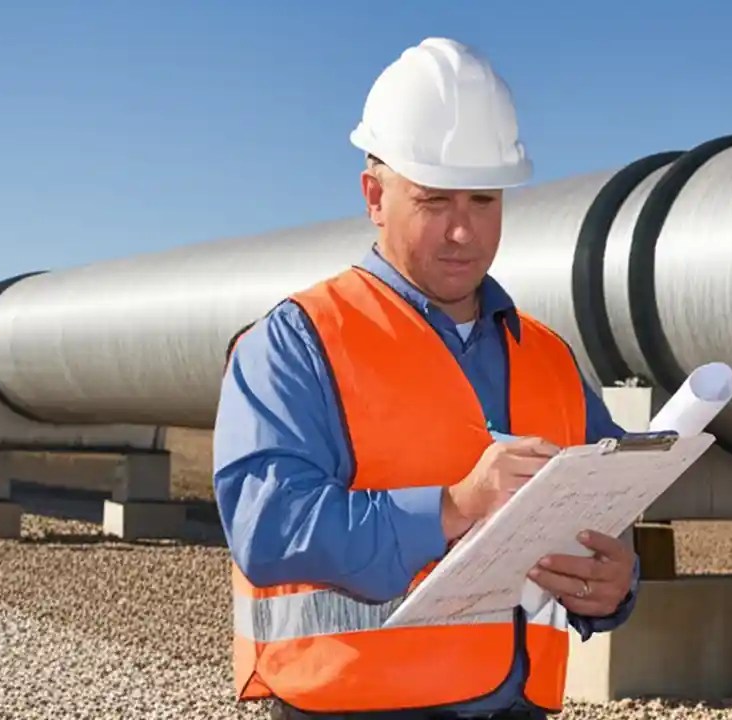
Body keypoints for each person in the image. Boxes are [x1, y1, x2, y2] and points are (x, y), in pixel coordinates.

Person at [212, 37, 640, 720]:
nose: (464, 232)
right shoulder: (299, 342)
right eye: (435, 201)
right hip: (349, 709)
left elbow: (606, 511)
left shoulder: (549, 357)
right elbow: (269, 530)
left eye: (483, 200)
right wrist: (454, 505)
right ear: (375, 196)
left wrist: (617, 580)